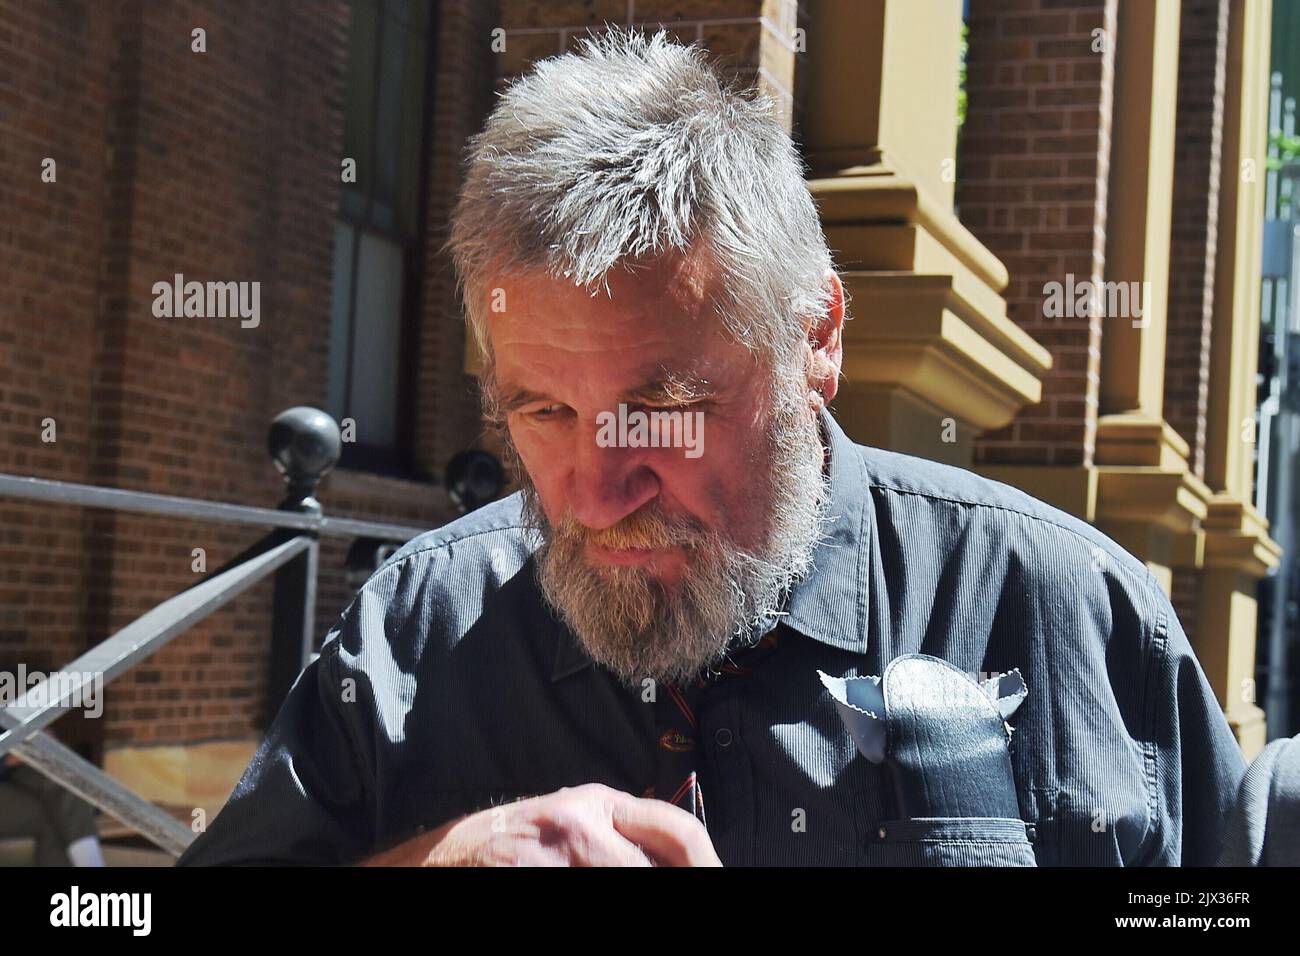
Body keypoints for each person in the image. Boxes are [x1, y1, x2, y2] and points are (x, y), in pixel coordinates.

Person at [177, 29, 1245, 867]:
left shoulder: (1068, 616)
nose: (596, 492)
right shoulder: (414, 636)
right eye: (541, 411)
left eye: (665, 404)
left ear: (817, 338)